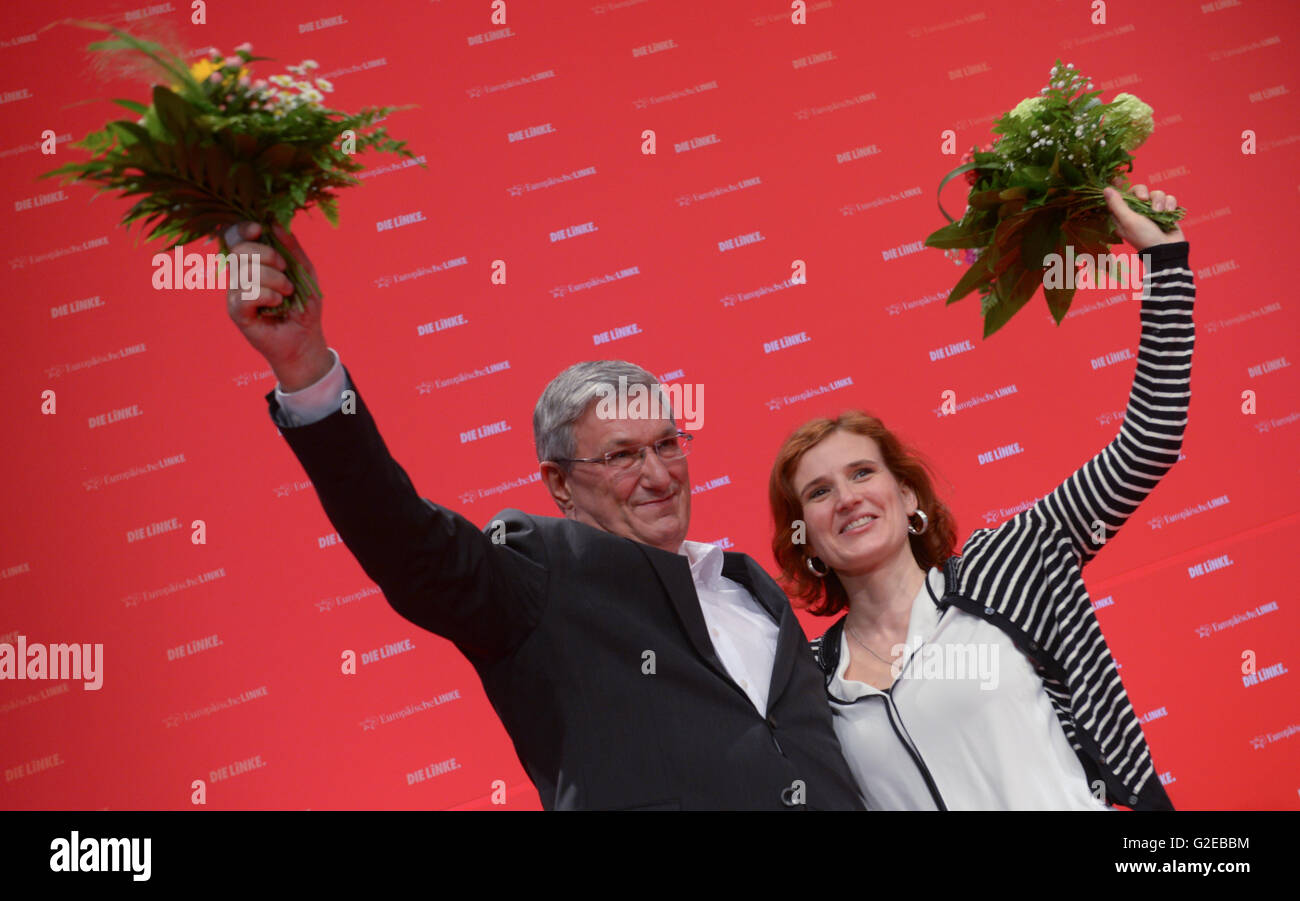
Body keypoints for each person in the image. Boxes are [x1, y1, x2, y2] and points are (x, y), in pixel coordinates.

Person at [219, 222, 865, 810]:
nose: (660, 474)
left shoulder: (749, 588)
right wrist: (306, 370)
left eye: (668, 443)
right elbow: (405, 542)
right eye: (622, 455)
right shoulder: (542, 577)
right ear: (559, 483)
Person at [765, 181, 1194, 810]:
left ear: (908, 496)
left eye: (862, 474)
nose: (847, 499)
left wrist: (1165, 267)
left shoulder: (1008, 565)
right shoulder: (808, 680)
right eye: (819, 491)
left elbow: (1149, 442)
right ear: (805, 538)